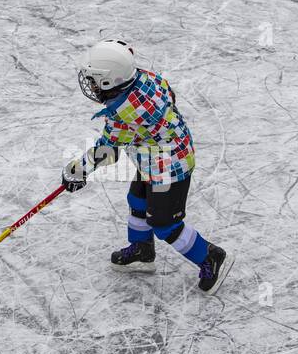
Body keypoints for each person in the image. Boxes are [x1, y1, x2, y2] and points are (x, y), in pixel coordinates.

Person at [61, 40, 230, 294]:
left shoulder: (127, 114)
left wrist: (78, 171)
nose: (91, 85)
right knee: (138, 200)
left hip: (170, 168)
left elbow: (107, 150)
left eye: (95, 80)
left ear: (109, 82)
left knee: (163, 223)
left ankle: (208, 256)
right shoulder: (144, 78)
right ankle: (142, 250)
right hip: (153, 156)